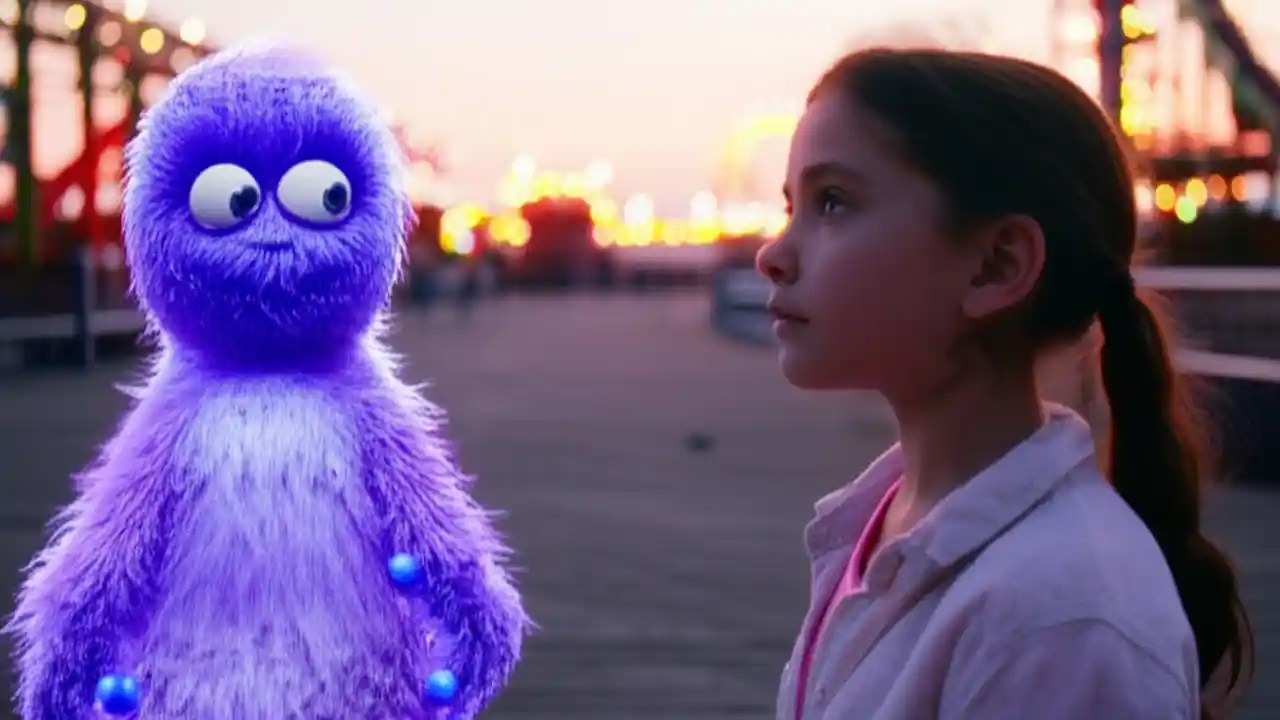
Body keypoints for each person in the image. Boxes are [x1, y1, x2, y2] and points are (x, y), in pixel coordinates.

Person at [757, 48, 1252, 720]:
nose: (772, 254)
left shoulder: (1061, 623)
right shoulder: (883, 524)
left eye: (834, 203)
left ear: (997, 265)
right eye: (793, 206)